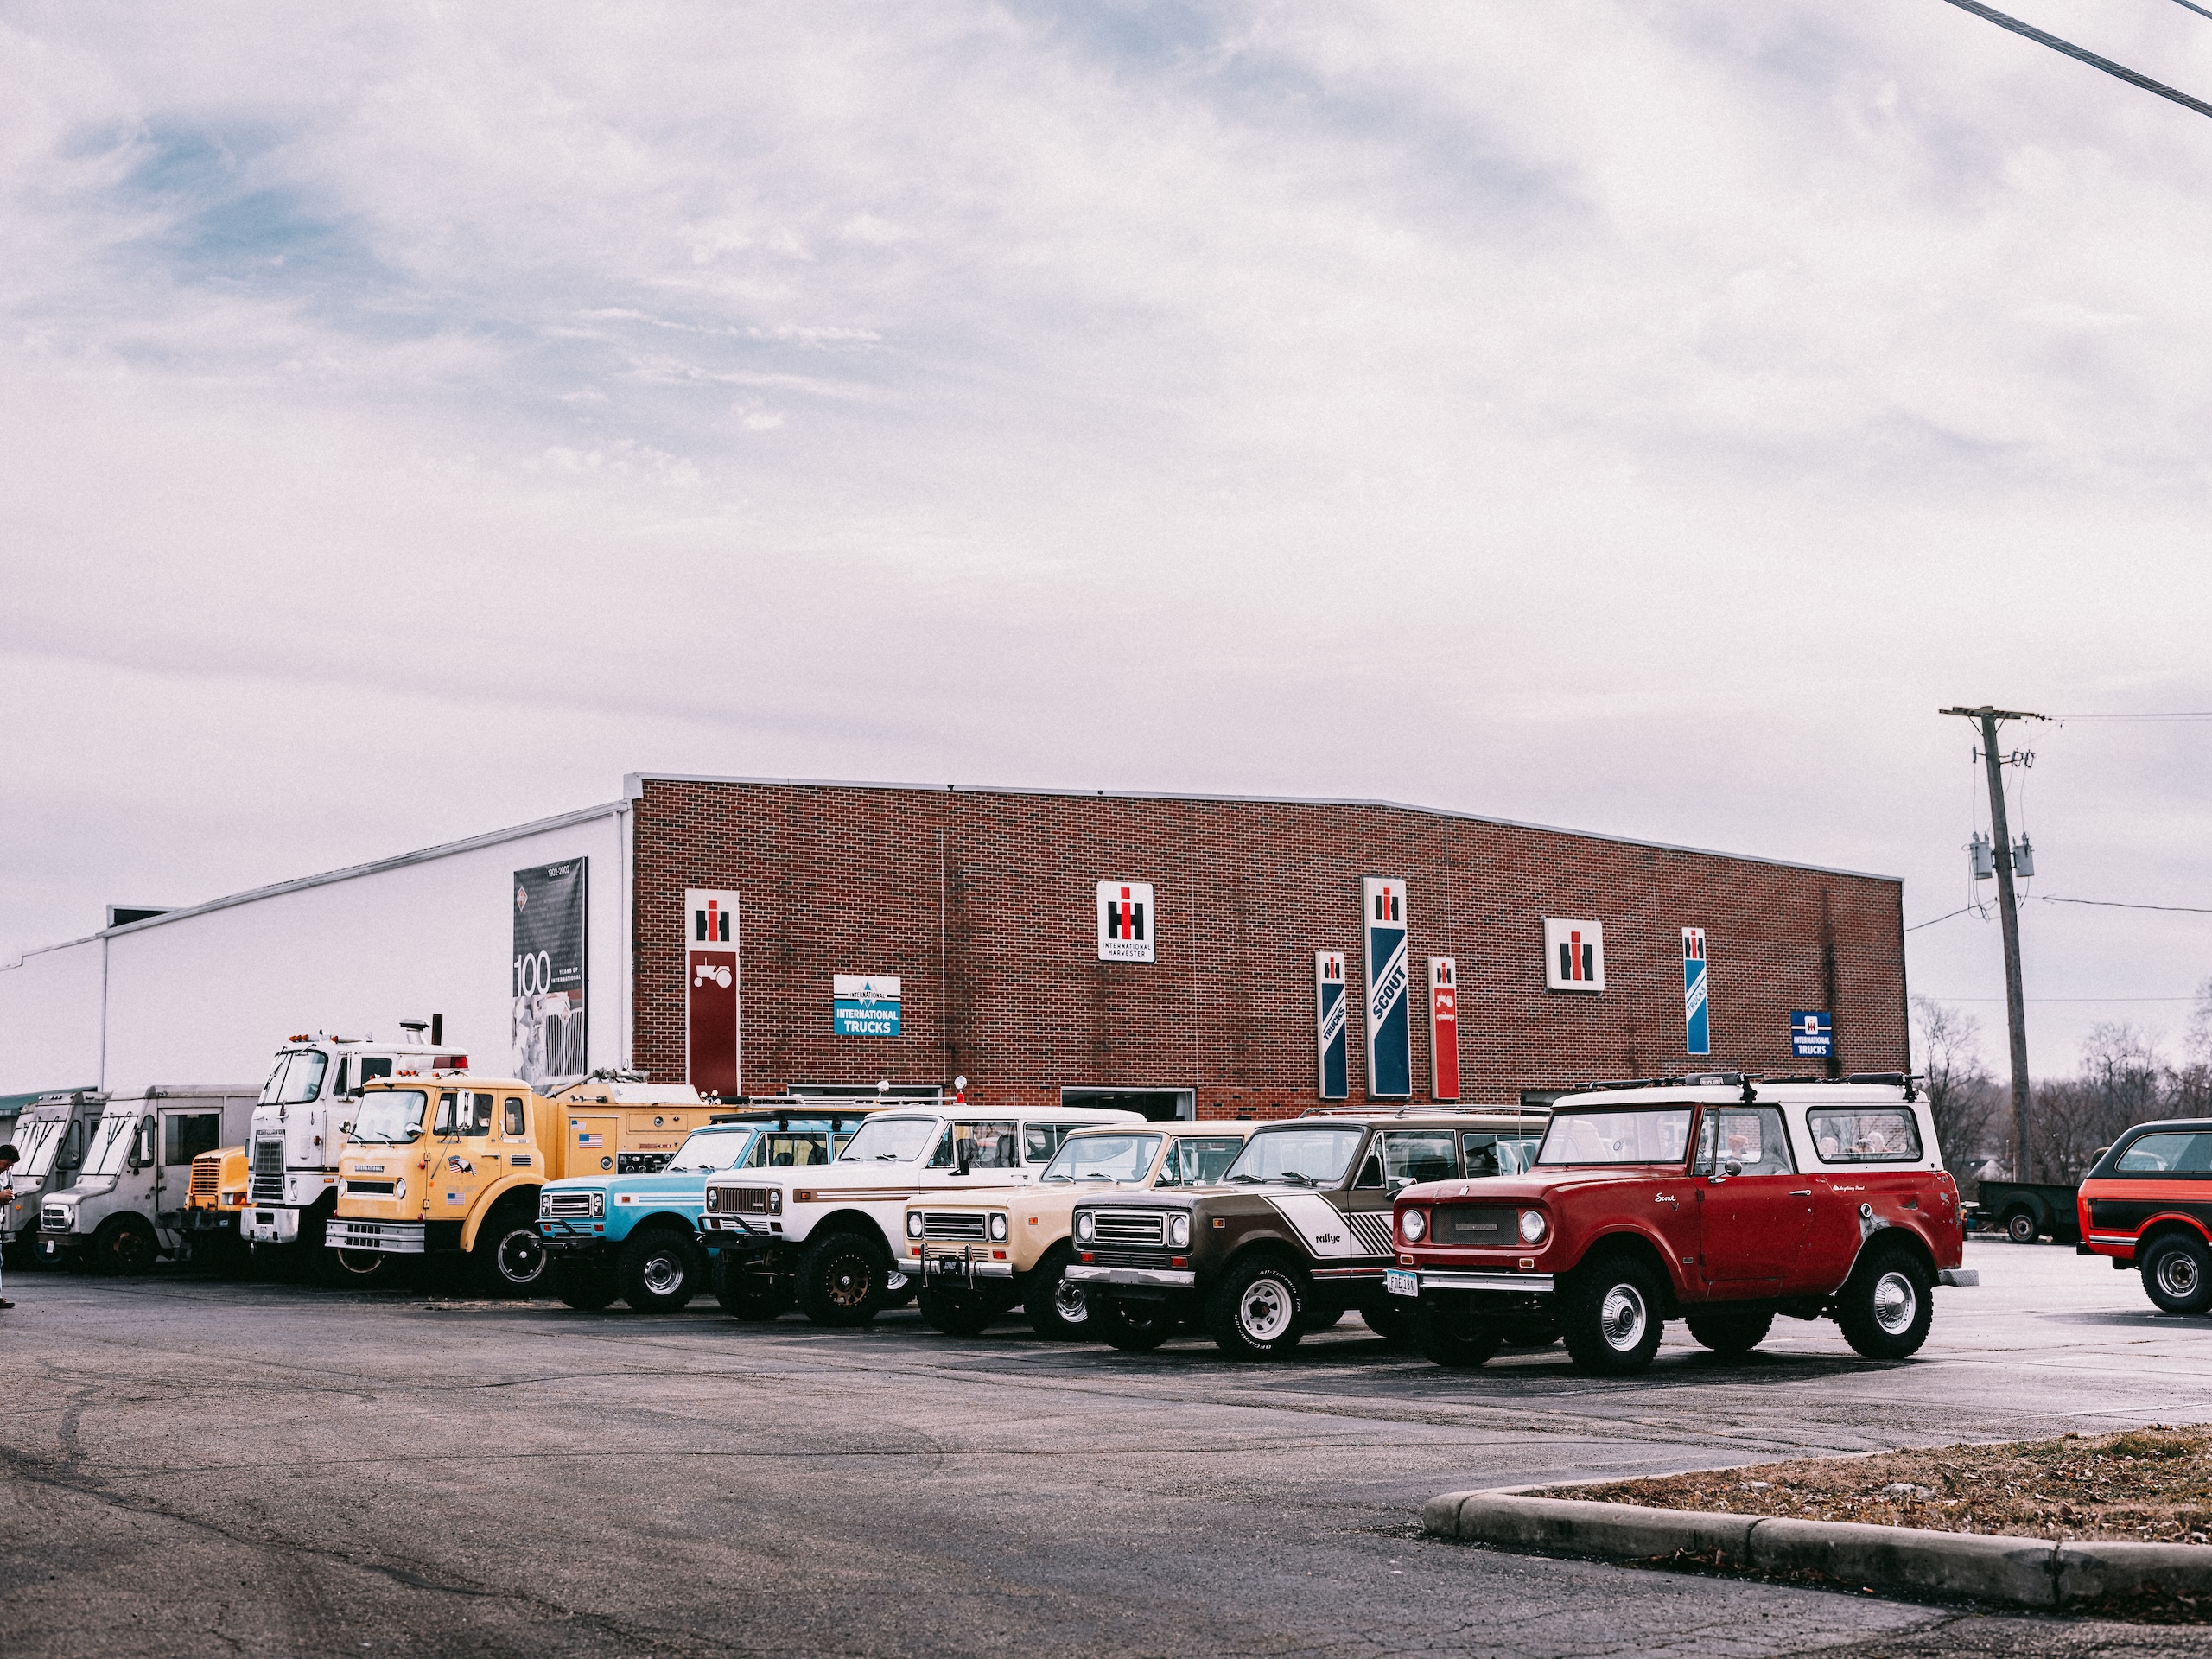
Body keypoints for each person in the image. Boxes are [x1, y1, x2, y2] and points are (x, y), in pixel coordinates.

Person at [0, 1142, 17, 1310]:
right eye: (5, 1164)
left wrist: (10, 1196)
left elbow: (10, 1188)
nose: (7, 1169)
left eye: (9, 1166)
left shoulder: (7, 1173)